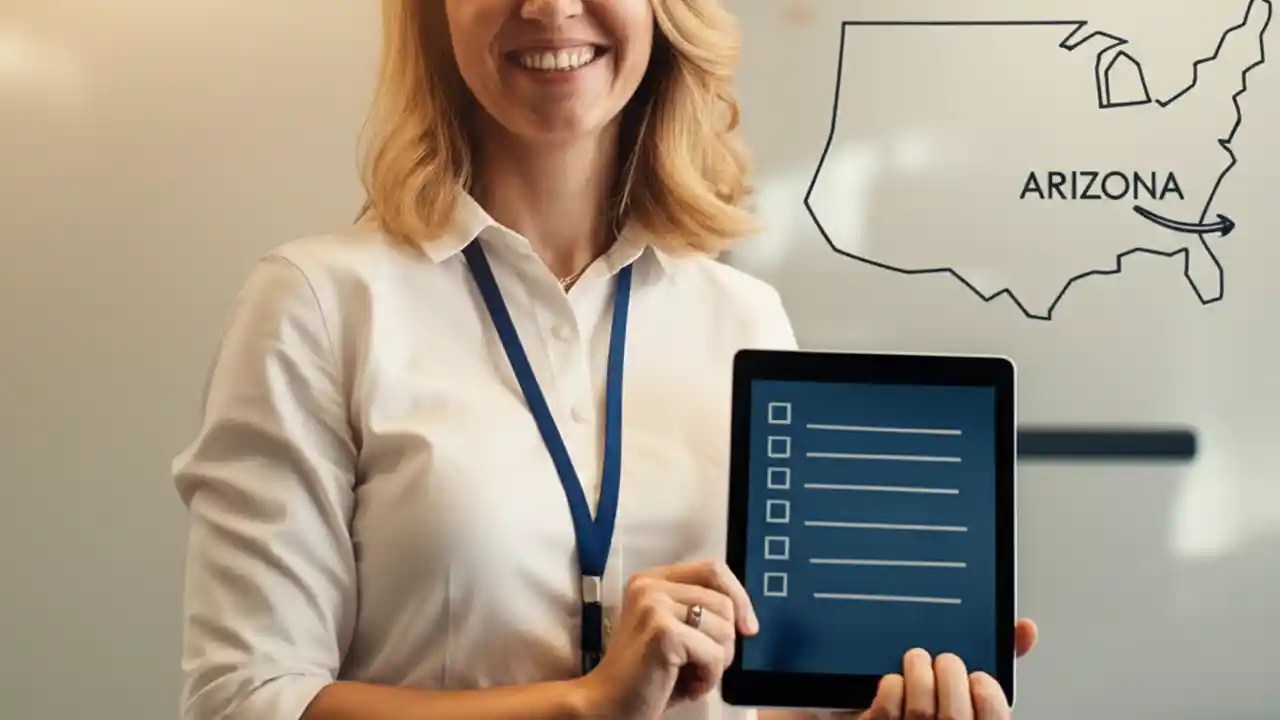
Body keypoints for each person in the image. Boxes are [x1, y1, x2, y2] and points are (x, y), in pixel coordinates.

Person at [171, 1, 1038, 718]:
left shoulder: (744, 318)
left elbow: (764, 699)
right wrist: (584, 705)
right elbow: (246, 698)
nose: (549, 9)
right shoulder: (318, 303)